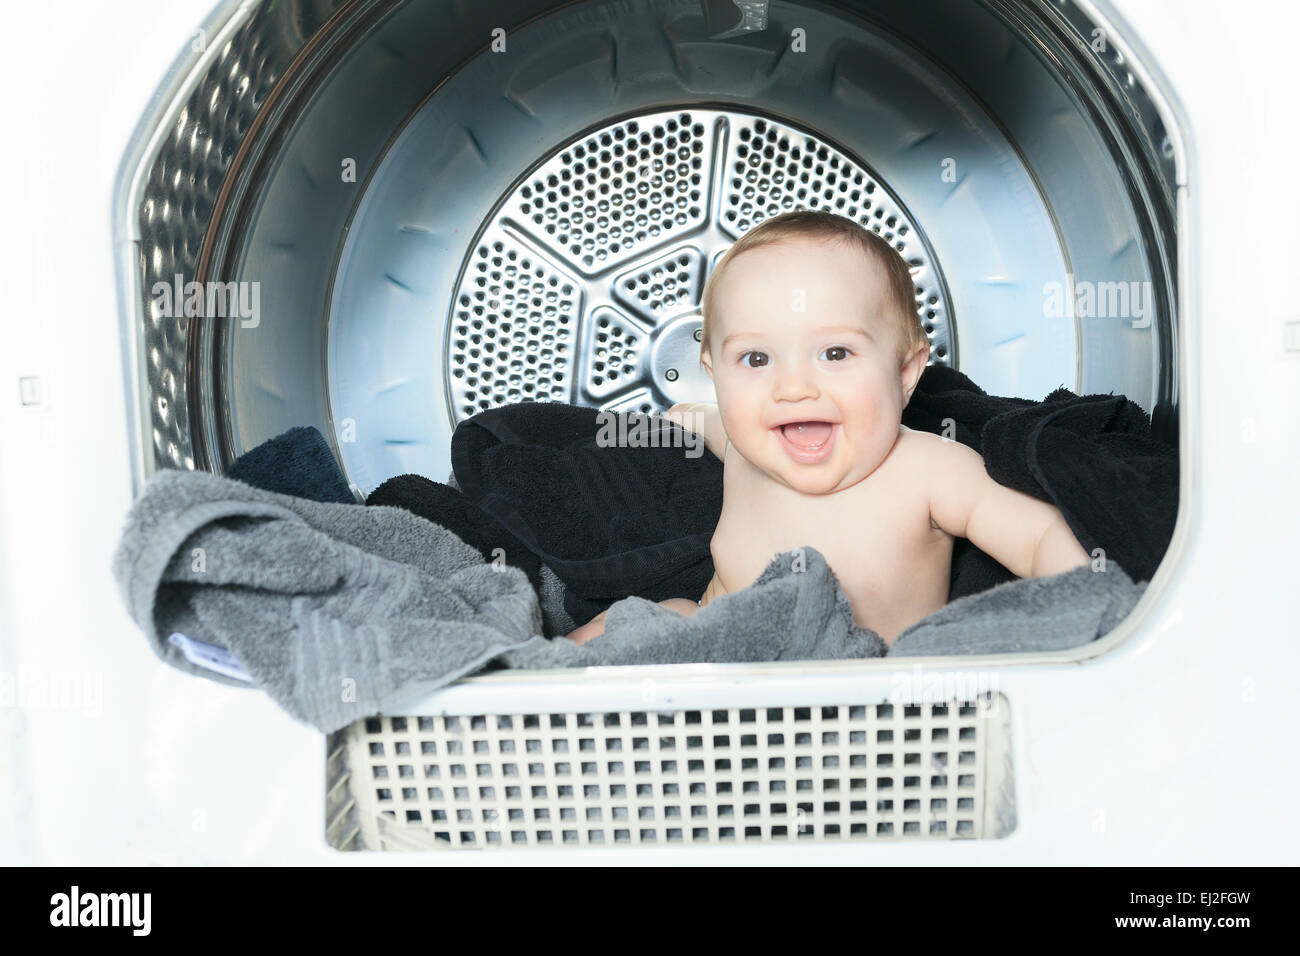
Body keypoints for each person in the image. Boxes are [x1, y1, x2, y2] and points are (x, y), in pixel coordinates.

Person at [565, 210, 1089, 647]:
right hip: (718, 649)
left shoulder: (929, 468)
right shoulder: (747, 450)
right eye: (755, 358)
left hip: (855, 687)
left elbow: (1040, 534)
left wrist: (1078, 606)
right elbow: (703, 422)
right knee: (624, 625)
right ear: (714, 376)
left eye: (835, 352)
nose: (793, 387)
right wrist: (678, 420)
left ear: (906, 373)